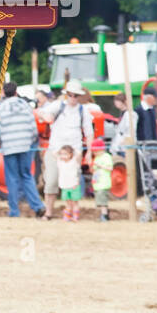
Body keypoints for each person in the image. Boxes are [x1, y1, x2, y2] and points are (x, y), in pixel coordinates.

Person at [39, 79, 94, 220]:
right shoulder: (57, 106)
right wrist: (46, 117)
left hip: (74, 151)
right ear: (66, 94)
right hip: (55, 150)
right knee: (51, 182)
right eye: (71, 95)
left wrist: (88, 152)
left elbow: (89, 133)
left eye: (76, 95)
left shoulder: (84, 111)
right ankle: (48, 212)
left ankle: (72, 212)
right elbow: (41, 113)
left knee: (72, 184)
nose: (73, 98)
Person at [0, 81, 45, 218]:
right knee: (27, 176)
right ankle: (37, 206)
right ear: (16, 92)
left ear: (4, 93)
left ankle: (14, 210)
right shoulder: (25, 105)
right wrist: (31, 140)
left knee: (12, 178)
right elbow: (33, 127)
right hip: (25, 145)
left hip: (9, 146)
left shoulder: (1, 108)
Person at [56, 145, 83, 221]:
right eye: (61, 154)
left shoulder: (74, 161)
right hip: (65, 186)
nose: (63, 156)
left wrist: (73, 149)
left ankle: (75, 217)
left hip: (73, 185)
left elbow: (79, 153)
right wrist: (59, 152)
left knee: (75, 203)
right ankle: (67, 216)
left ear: (70, 154)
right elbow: (54, 154)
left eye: (65, 154)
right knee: (68, 203)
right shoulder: (60, 163)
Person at [91, 140, 114, 221]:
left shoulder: (107, 157)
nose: (95, 153)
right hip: (97, 184)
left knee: (103, 201)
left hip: (104, 183)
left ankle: (104, 216)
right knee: (100, 201)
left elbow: (110, 168)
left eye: (96, 151)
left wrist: (100, 166)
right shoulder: (97, 158)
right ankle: (104, 214)